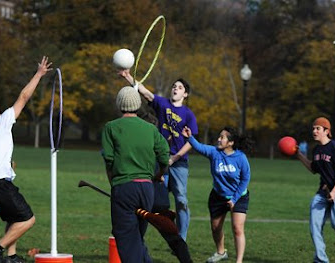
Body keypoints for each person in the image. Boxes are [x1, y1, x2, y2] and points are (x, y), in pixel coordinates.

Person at [0, 56, 52, 263]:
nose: (0, 111)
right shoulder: (2, 122)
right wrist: (39, 74)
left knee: (14, 216)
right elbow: (23, 96)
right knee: (27, 219)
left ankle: (11, 257)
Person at [119, 69, 198, 241]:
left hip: (179, 163)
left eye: (179, 87)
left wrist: (174, 158)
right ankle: (139, 236)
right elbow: (145, 92)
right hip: (159, 160)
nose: (175, 89)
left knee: (181, 200)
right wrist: (127, 77)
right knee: (151, 200)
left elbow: (191, 141)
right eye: (174, 86)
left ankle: (181, 238)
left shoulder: (189, 115)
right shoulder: (163, 104)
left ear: (185, 93)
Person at [101, 86, 170, 263]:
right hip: (147, 189)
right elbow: (164, 155)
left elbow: (109, 160)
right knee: (136, 239)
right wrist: (159, 174)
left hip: (124, 188)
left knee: (127, 240)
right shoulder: (150, 129)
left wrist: (114, 184)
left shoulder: (111, 127)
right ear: (138, 104)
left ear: (119, 104)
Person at [182, 126, 251, 263]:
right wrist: (189, 137)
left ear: (230, 143)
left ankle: (239, 261)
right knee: (215, 228)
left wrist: (234, 199)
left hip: (239, 197)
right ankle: (220, 252)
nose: (218, 139)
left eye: (222, 137)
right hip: (218, 196)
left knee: (237, 228)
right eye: (219, 137)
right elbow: (199, 146)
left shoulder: (241, 158)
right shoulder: (214, 152)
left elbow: (245, 179)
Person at [297, 117, 335, 263]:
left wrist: (334, 191)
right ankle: (320, 259)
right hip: (323, 192)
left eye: (318, 128)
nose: (314, 131)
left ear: (326, 131)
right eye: (313, 128)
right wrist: (299, 155)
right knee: (315, 225)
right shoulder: (317, 149)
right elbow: (314, 169)